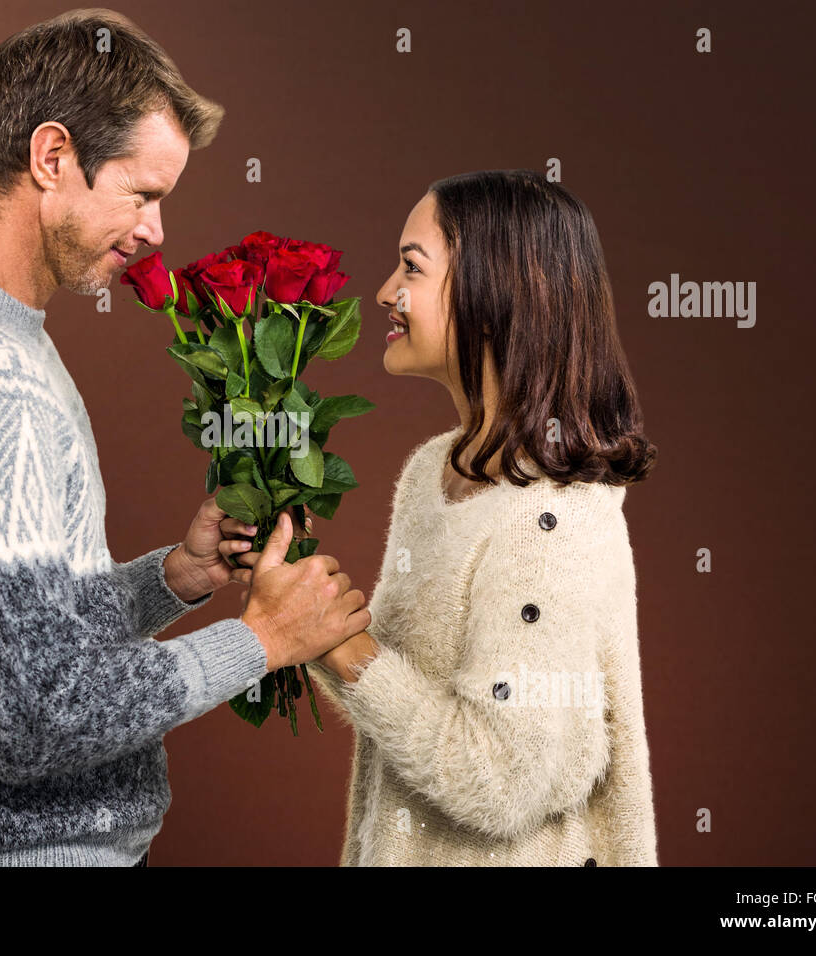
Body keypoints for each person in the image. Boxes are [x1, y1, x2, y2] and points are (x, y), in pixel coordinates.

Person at [0, 8, 368, 867]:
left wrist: (171, 580)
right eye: (143, 192)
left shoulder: (1, 342)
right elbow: (29, 718)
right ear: (52, 159)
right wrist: (261, 642)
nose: (156, 229)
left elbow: (15, 634)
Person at [233, 170, 660, 866]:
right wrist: (303, 612)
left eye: (411, 266)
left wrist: (342, 647)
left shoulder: (551, 521)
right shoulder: (437, 471)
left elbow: (502, 778)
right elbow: (405, 705)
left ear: (497, 294)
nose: (382, 293)